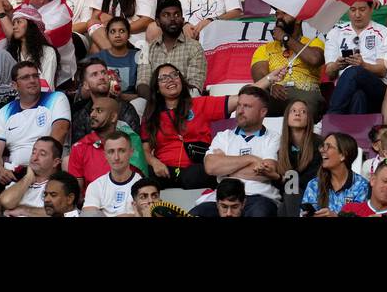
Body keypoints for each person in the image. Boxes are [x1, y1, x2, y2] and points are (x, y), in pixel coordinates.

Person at [189, 87, 281, 217]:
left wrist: (226, 167)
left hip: (257, 197)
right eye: (239, 105)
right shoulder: (223, 136)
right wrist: (250, 159)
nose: (240, 111)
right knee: (196, 214)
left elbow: (266, 171)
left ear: (262, 112)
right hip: (222, 197)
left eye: (247, 106)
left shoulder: (273, 137)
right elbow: (210, 167)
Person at [140, 64, 227, 189]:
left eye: (174, 75)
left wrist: (266, 80)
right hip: (165, 171)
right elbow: (145, 150)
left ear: (181, 80)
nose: (170, 79)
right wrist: (155, 162)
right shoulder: (151, 115)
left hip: (196, 170)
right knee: (148, 175)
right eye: (163, 78)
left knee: (195, 174)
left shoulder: (199, 104)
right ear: (157, 88)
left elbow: (241, 100)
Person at [0, 60, 70, 174]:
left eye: (35, 76)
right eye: (26, 77)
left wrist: (38, 167)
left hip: (48, 169)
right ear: (14, 85)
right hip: (13, 173)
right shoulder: (4, 112)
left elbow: (60, 131)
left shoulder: (56, 98)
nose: (32, 80)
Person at [323, 0, 387, 116]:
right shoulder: (335, 32)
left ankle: (330, 117)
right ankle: (356, 133)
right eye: (353, 9)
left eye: (362, 9)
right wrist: (337, 65)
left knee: (354, 71)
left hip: (377, 88)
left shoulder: (383, 32)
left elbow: (383, 70)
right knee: (358, 96)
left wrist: (363, 65)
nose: (357, 14)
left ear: (371, 9)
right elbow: (329, 72)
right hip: (347, 91)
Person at [249, 9, 326, 118]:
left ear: (298, 19)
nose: (279, 17)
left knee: (306, 103)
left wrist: (286, 38)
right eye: (277, 14)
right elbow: (258, 75)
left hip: (305, 95)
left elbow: (315, 59)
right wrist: (272, 86)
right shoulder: (264, 49)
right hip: (275, 95)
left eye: (284, 13)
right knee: (249, 95)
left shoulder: (313, 42)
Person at [136, 0, 207, 98]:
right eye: (166, 15)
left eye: (177, 14)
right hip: (154, 101)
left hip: (185, 101)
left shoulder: (195, 47)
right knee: (137, 104)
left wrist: (172, 103)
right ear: (157, 22)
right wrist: (156, 103)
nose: (172, 18)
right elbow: (142, 83)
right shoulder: (147, 49)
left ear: (183, 21)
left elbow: (195, 85)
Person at [300, 132, 369, 216]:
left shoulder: (361, 186)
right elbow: (303, 214)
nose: (322, 150)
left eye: (328, 146)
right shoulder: (314, 185)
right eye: (323, 146)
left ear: (343, 155)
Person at [0, 134, 64, 216]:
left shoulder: (61, 183)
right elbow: (6, 201)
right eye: (33, 152)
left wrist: (24, 210)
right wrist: (28, 178)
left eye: (42, 154)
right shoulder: (20, 175)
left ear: (55, 162)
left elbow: (63, 213)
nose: (34, 158)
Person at [79, 131, 140, 216]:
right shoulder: (95, 186)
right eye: (111, 152)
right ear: (105, 155)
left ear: (131, 152)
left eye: (121, 151)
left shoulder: (142, 185)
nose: (116, 157)